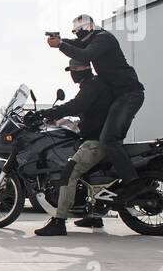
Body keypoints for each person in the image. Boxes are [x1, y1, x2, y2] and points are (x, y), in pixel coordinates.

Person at [47, 14, 145, 205]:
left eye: (80, 31)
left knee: (109, 140)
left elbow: (84, 55)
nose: (78, 34)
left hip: (129, 94)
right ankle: (99, 200)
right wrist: (60, 40)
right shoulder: (93, 39)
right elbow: (78, 45)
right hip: (121, 96)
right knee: (106, 138)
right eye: (76, 32)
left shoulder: (103, 38)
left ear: (91, 27)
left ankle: (134, 185)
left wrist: (60, 45)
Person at [35, 61, 113, 236]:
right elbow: (80, 108)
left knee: (69, 173)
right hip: (98, 139)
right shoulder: (92, 85)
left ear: (86, 68)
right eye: (71, 70)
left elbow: (75, 106)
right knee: (86, 174)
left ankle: (59, 221)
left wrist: (46, 113)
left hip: (96, 142)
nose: (73, 73)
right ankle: (94, 215)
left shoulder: (92, 86)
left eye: (75, 69)